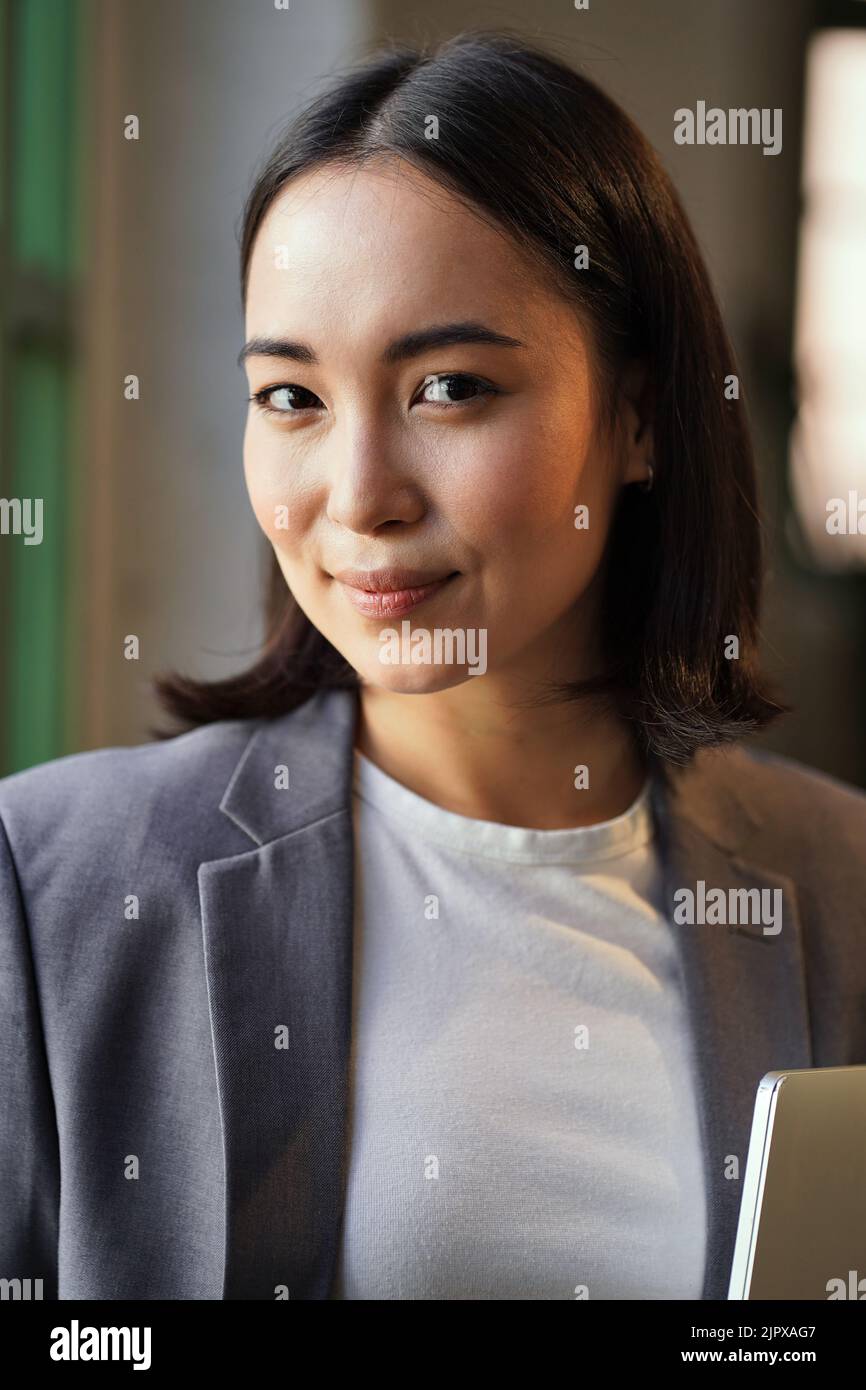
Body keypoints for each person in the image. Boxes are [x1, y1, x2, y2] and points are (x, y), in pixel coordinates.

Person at [1, 29, 864, 1302]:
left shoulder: (837, 883)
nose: (358, 497)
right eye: (291, 397)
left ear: (636, 417)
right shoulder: (56, 883)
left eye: (450, 387)